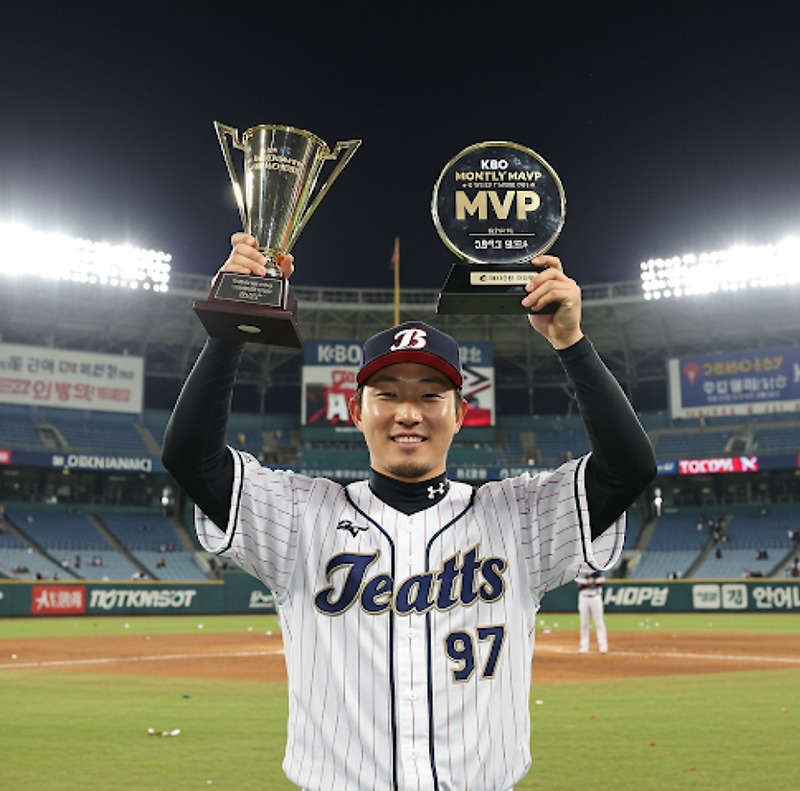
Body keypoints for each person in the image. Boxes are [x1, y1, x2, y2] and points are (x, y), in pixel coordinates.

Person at [162, 233, 656, 791]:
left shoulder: (519, 519)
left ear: (460, 412)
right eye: (388, 394)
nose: (408, 413)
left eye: (429, 395)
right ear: (356, 410)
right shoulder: (300, 516)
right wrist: (232, 324)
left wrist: (571, 342)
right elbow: (190, 459)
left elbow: (628, 468)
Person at [576, 565, 608, 653]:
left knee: (599, 623)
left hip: (595, 597)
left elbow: (602, 579)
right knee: (584, 623)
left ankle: (603, 646)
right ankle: (584, 646)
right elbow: (578, 581)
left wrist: (593, 581)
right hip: (584, 598)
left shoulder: (597, 568)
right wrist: (587, 582)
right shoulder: (581, 569)